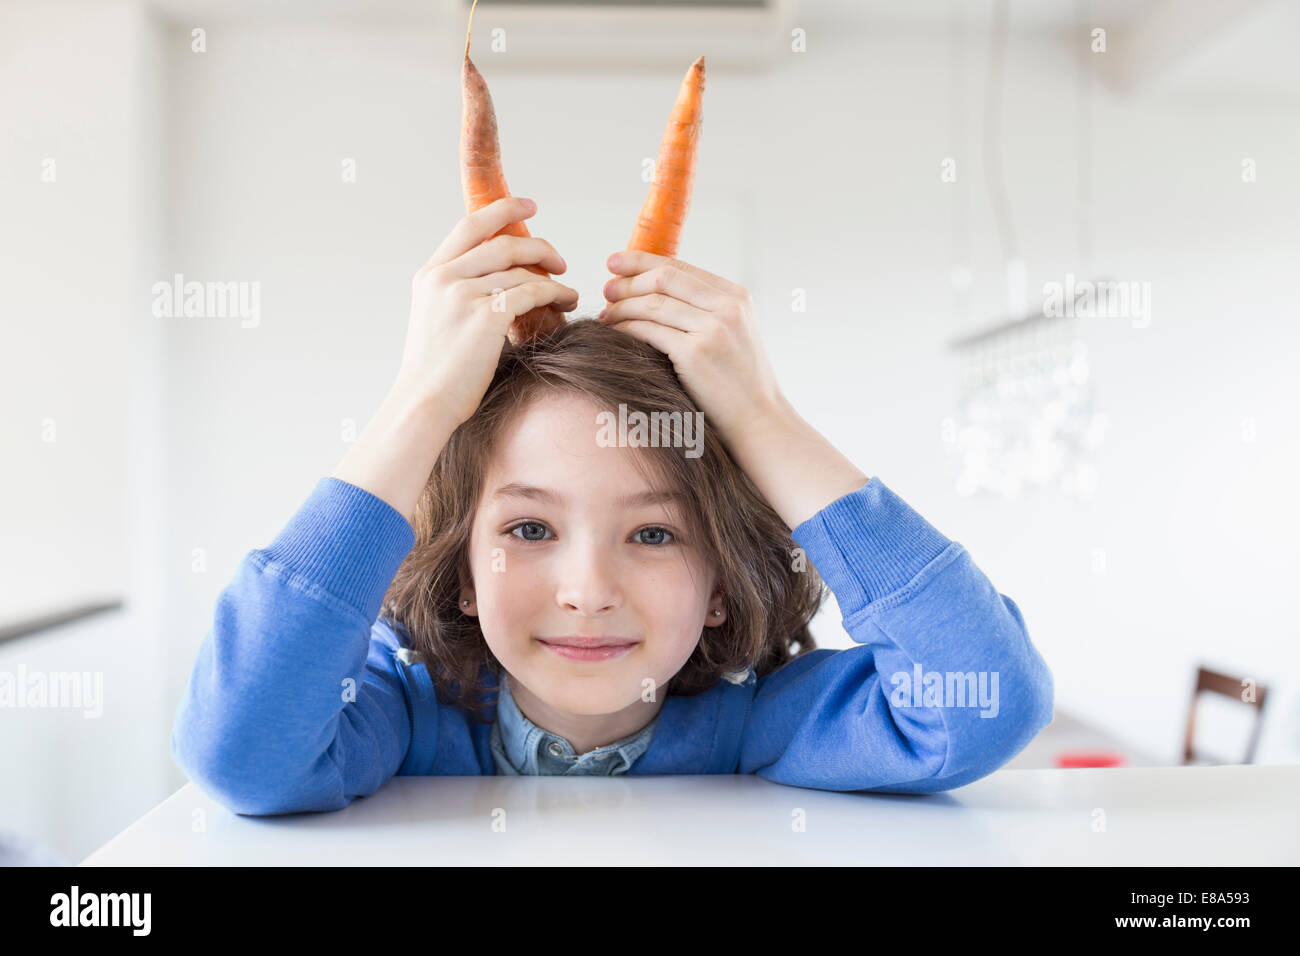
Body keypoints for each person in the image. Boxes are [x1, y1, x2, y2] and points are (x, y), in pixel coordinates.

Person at [170, 196, 1053, 814]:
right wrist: (419, 404)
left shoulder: (756, 722)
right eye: (528, 528)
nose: (587, 589)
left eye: (655, 532)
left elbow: (984, 705)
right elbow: (241, 753)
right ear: (466, 573)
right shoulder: (403, 713)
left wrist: (760, 415)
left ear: (720, 582)